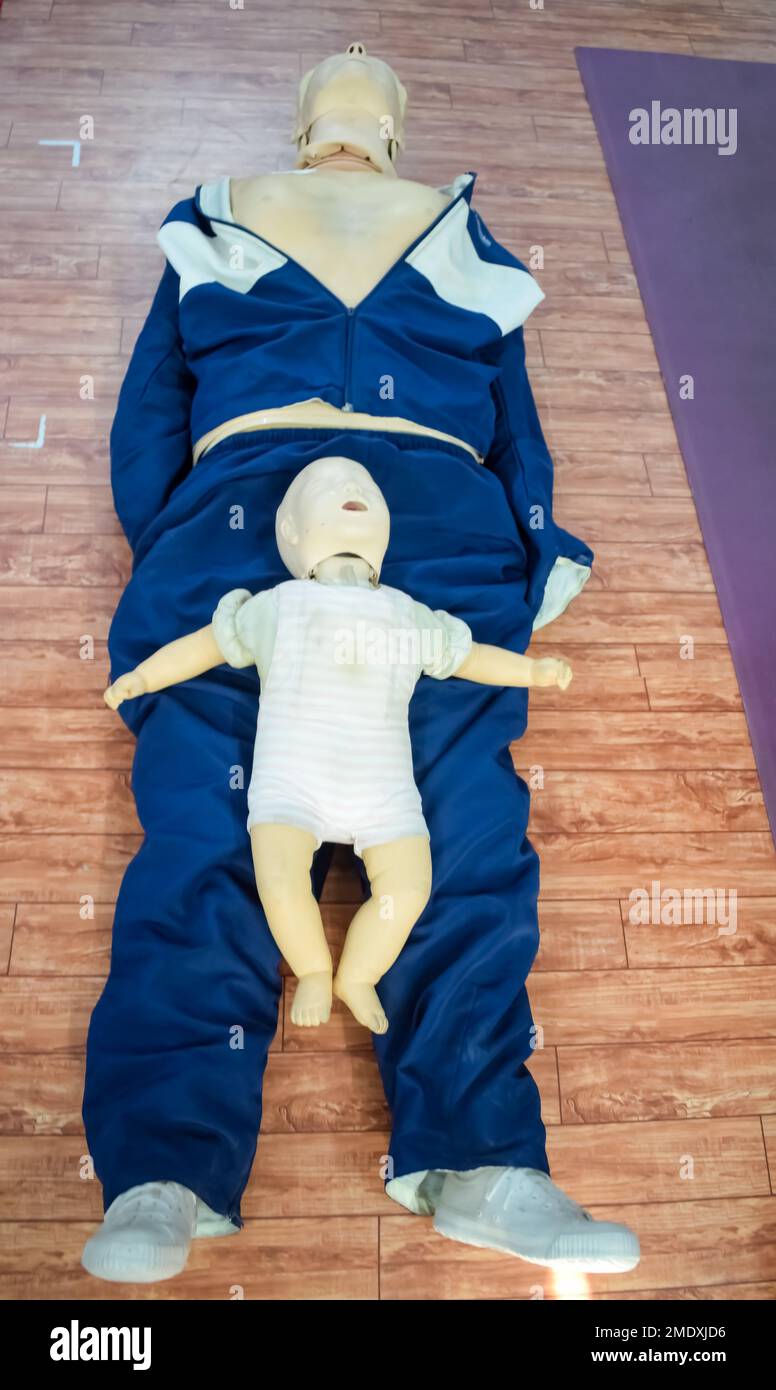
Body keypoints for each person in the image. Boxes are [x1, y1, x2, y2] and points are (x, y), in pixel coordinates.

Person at [81, 43, 639, 1283]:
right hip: (241, 495)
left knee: (464, 819)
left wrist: (537, 535)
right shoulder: (216, 215)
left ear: (395, 127)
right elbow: (151, 400)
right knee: (201, 809)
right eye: (330, 85)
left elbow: (515, 407)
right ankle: (163, 1167)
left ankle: (482, 1150)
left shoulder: (457, 230)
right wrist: (168, 531)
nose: (348, 92)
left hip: (436, 512)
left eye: (370, 89)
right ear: (298, 121)